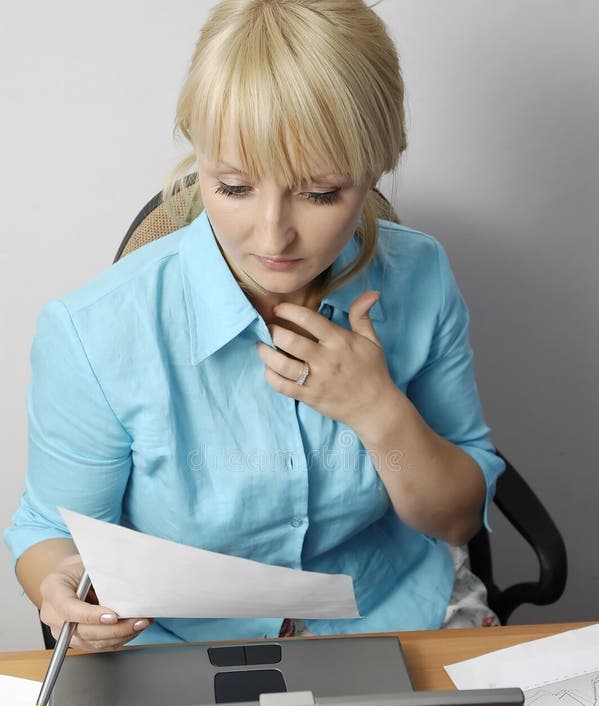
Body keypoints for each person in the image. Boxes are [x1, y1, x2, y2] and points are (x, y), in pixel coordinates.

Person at [4, 0, 504, 651]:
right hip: (181, 646)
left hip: (389, 613)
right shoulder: (93, 330)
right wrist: (63, 587)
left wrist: (377, 412)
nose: (272, 236)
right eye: (234, 187)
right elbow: (49, 529)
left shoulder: (420, 274)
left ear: (376, 167)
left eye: (319, 192)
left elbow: (457, 519)